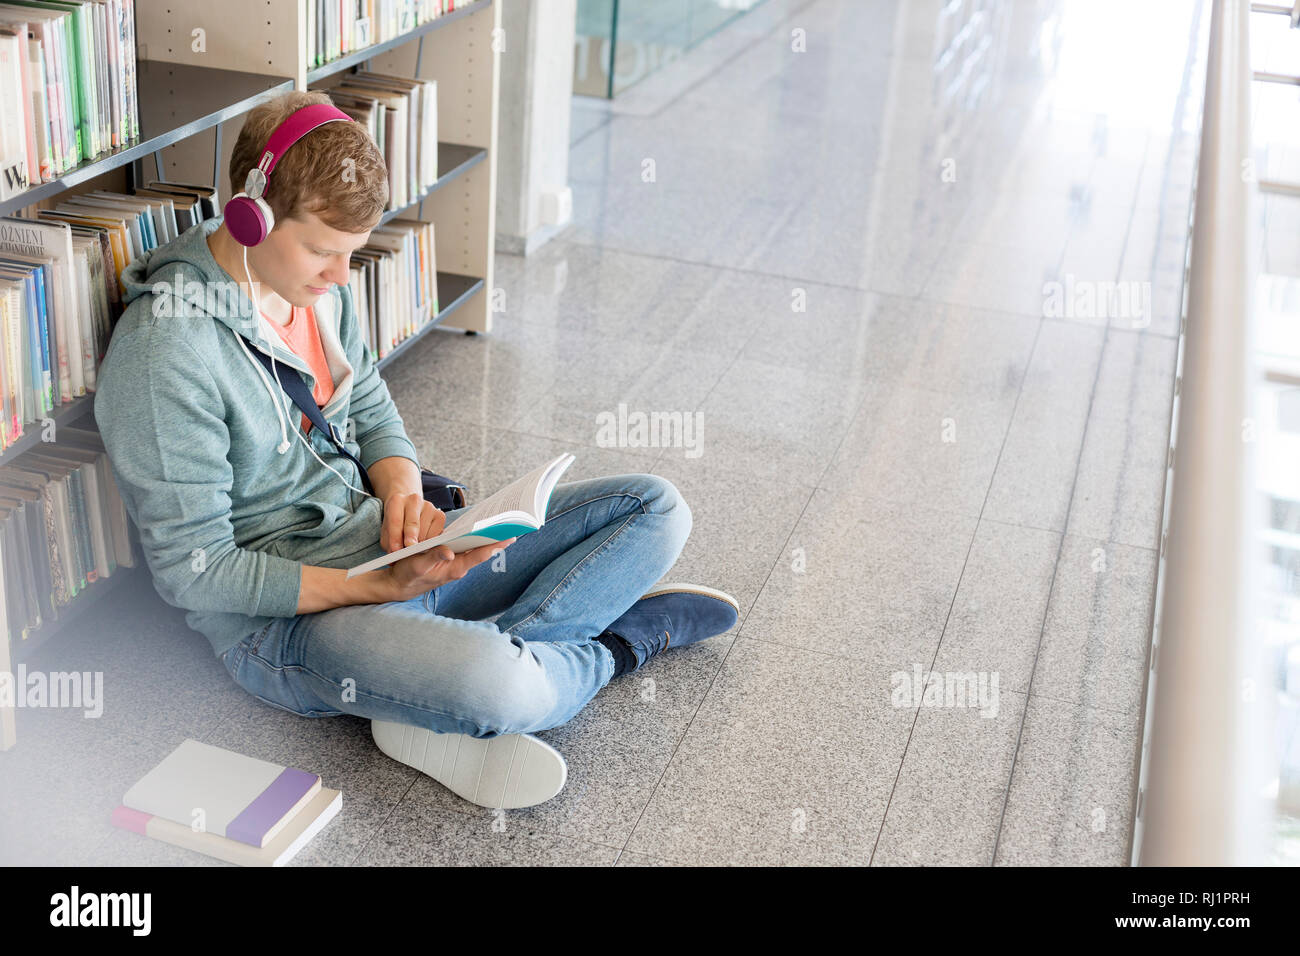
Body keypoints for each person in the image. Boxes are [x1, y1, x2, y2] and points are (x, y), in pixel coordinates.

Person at [93, 90, 740, 809]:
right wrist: (375, 587)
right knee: (500, 686)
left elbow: (367, 401)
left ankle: (443, 688)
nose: (341, 277)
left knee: (655, 507)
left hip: (389, 555)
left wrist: (401, 489)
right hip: (296, 621)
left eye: (351, 255)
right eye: (321, 251)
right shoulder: (167, 351)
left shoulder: (311, 288)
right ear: (250, 213)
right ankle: (619, 643)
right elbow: (197, 571)